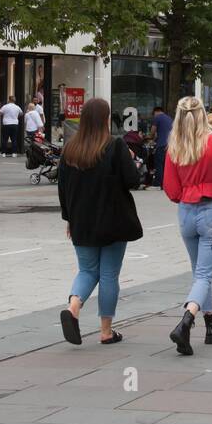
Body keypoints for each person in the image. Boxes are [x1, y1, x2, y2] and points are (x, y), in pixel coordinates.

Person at [57, 98, 142, 346]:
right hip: (113, 221)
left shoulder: (70, 149)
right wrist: (131, 157)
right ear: (105, 120)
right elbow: (133, 181)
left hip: (81, 221)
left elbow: (62, 189)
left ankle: (73, 307)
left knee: (86, 270)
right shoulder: (115, 146)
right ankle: (106, 331)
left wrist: (69, 218)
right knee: (108, 274)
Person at [163, 96, 212, 355]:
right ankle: (186, 321)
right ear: (202, 115)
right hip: (210, 210)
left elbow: (170, 188)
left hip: (185, 211)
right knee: (205, 274)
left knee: (199, 273)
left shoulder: (174, 145)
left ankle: (211, 326)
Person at [151, 105, 173, 188]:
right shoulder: (169, 118)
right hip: (169, 144)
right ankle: (166, 183)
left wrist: (149, 137)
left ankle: (158, 182)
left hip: (161, 144)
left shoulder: (157, 117)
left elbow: (152, 132)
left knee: (158, 163)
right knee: (166, 164)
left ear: (156, 112)